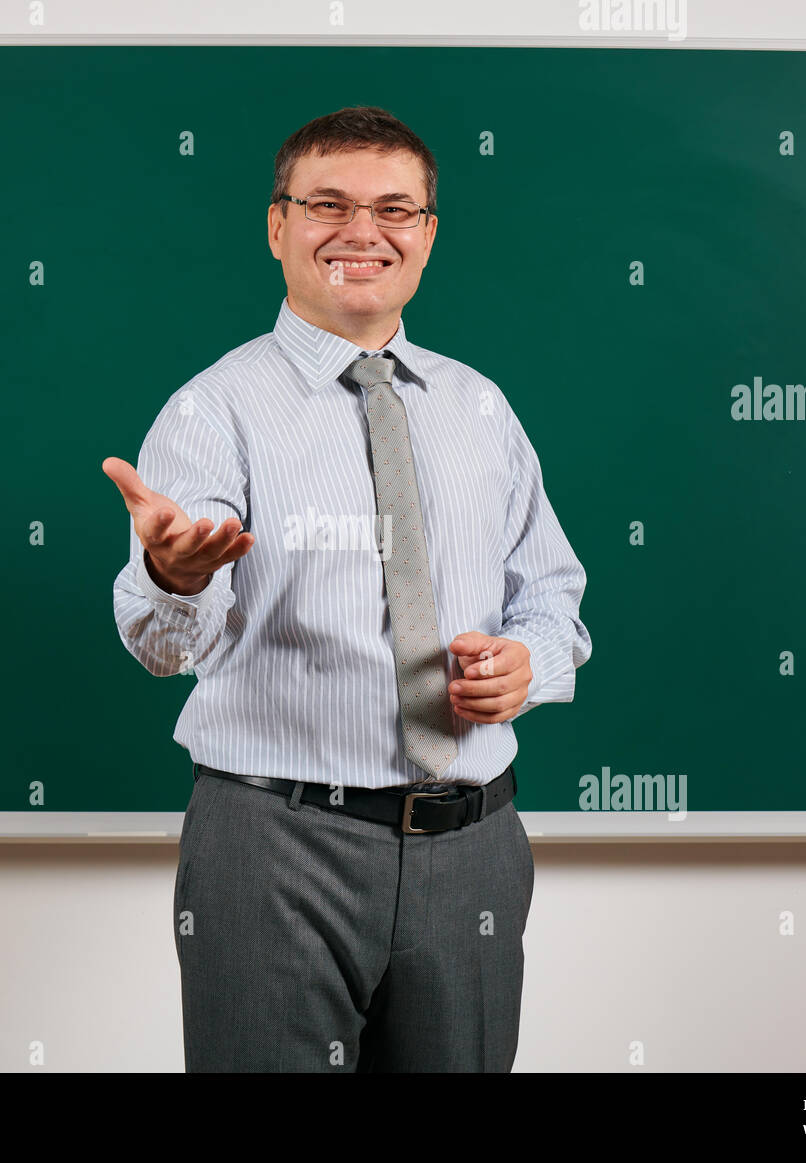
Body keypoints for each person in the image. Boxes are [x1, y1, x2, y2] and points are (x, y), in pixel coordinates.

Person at [104, 106, 591, 1072]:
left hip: (473, 847)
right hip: (274, 847)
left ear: (427, 235)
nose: (362, 232)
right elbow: (159, 643)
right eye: (328, 204)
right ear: (278, 225)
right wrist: (173, 572)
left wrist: (528, 661)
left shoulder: (479, 406)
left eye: (394, 210)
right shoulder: (214, 409)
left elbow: (554, 593)